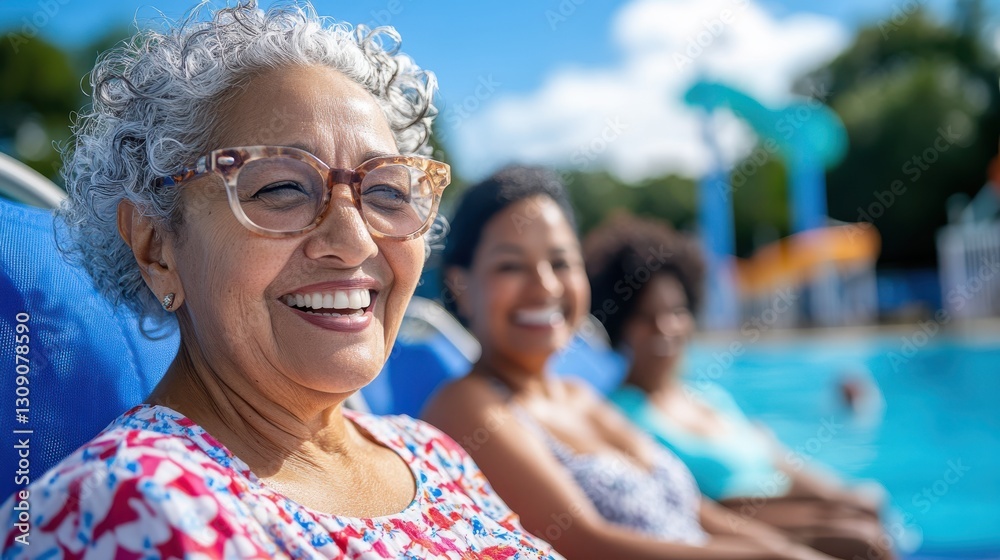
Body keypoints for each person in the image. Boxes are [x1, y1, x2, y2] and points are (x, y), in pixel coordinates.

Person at [0, 3, 563, 558]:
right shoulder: (124, 509)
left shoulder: (430, 452)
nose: (355, 241)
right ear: (156, 247)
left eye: (387, 192)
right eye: (281, 189)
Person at [423, 167, 835, 560]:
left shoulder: (581, 397)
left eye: (561, 262)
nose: (546, 285)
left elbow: (697, 512)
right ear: (462, 285)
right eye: (511, 265)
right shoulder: (468, 406)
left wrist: (785, 550)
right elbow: (585, 546)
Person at [582, 212, 894, 560]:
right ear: (620, 324)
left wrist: (841, 496)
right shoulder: (616, 415)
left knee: (867, 510)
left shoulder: (710, 397)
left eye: (676, 311)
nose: (666, 327)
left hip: (784, 508)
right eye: (646, 316)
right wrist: (778, 551)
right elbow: (680, 506)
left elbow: (777, 460)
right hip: (735, 529)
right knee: (862, 542)